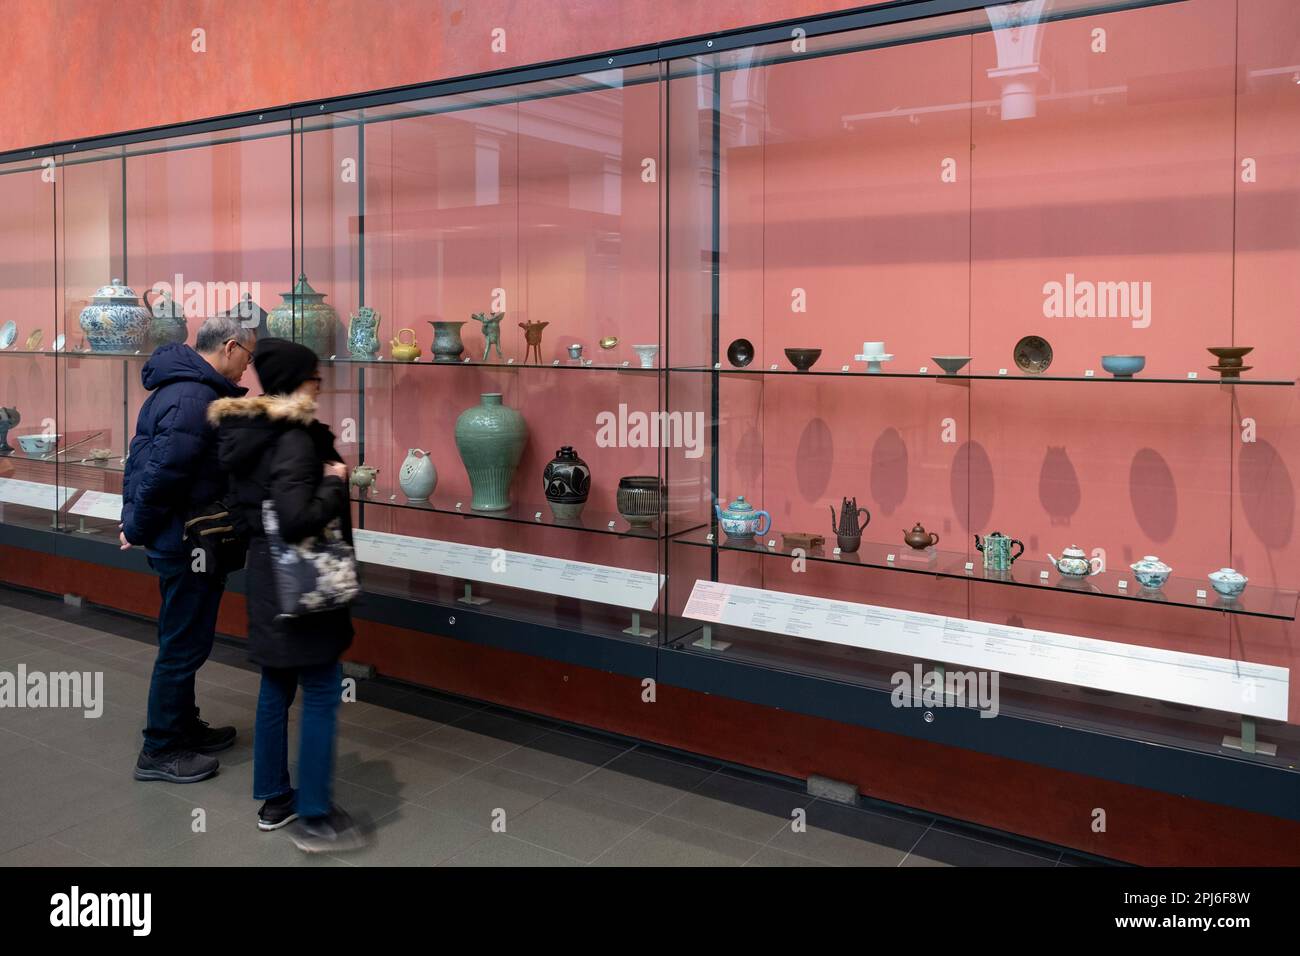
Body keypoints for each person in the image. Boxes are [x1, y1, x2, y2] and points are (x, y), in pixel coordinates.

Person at [209, 338, 364, 852]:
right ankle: (315, 817)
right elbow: (298, 519)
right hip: (302, 584)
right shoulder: (296, 439)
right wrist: (336, 482)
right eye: (315, 377)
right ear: (299, 382)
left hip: (267, 578)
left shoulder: (250, 432)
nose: (321, 384)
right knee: (322, 689)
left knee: (276, 686)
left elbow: (250, 508)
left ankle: (276, 799)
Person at [122, 316, 255, 784]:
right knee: (182, 643)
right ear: (231, 346)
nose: (247, 369)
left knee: (184, 637)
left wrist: (136, 522)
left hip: (178, 536)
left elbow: (142, 459)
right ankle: (160, 749)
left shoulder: (182, 387)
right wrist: (137, 526)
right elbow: (162, 473)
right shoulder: (195, 396)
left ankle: (183, 726)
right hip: (185, 540)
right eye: (248, 357)